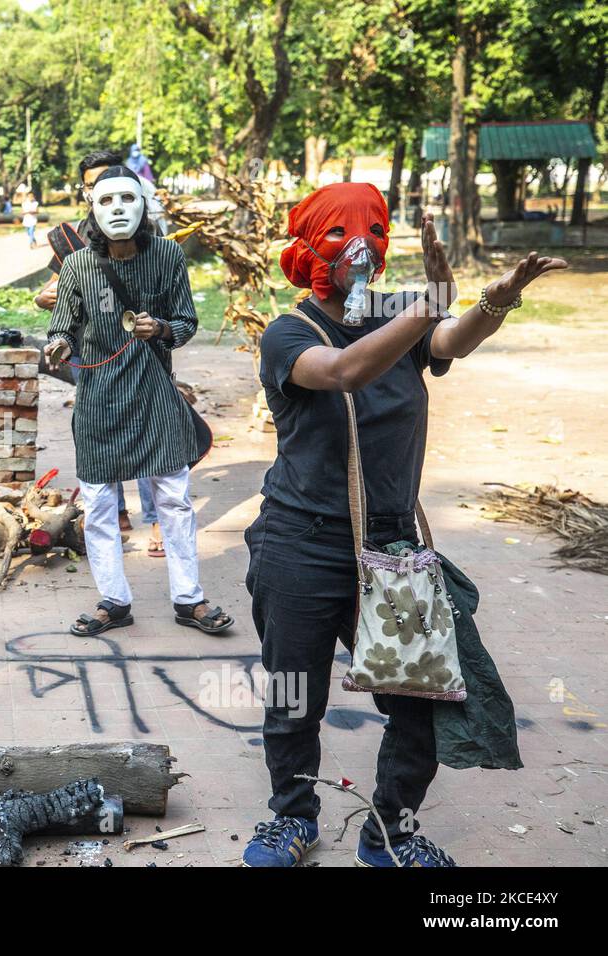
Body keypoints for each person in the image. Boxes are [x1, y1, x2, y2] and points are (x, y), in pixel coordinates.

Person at [240, 181, 567, 868]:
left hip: (391, 545)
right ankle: (291, 819)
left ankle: (390, 829)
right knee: (295, 698)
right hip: (300, 542)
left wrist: (497, 296)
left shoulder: (402, 317)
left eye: (373, 233)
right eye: (340, 235)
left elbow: (454, 338)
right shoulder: (288, 333)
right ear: (308, 246)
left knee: (418, 703)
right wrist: (424, 308)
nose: (361, 248)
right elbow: (346, 369)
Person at [45, 166, 233, 637]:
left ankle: (189, 599)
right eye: (106, 202)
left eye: (128, 199)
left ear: (144, 206)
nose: (118, 210)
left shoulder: (168, 255)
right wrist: (59, 344)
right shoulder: (76, 266)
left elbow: (188, 322)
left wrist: (164, 330)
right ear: (93, 210)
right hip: (97, 402)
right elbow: (61, 327)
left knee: (174, 499)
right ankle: (114, 600)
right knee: (100, 504)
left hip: (154, 396)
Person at [34, 148, 156, 545]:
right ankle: (115, 510)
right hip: (92, 350)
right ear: (86, 192)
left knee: (148, 429)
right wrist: (50, 302)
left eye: (114, 186)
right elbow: (50, 293)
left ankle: (155, 518)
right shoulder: (70, 239)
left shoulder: (144, 231)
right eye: (94, 188)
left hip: (140, 349)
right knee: (101, 431)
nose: (107, 197)